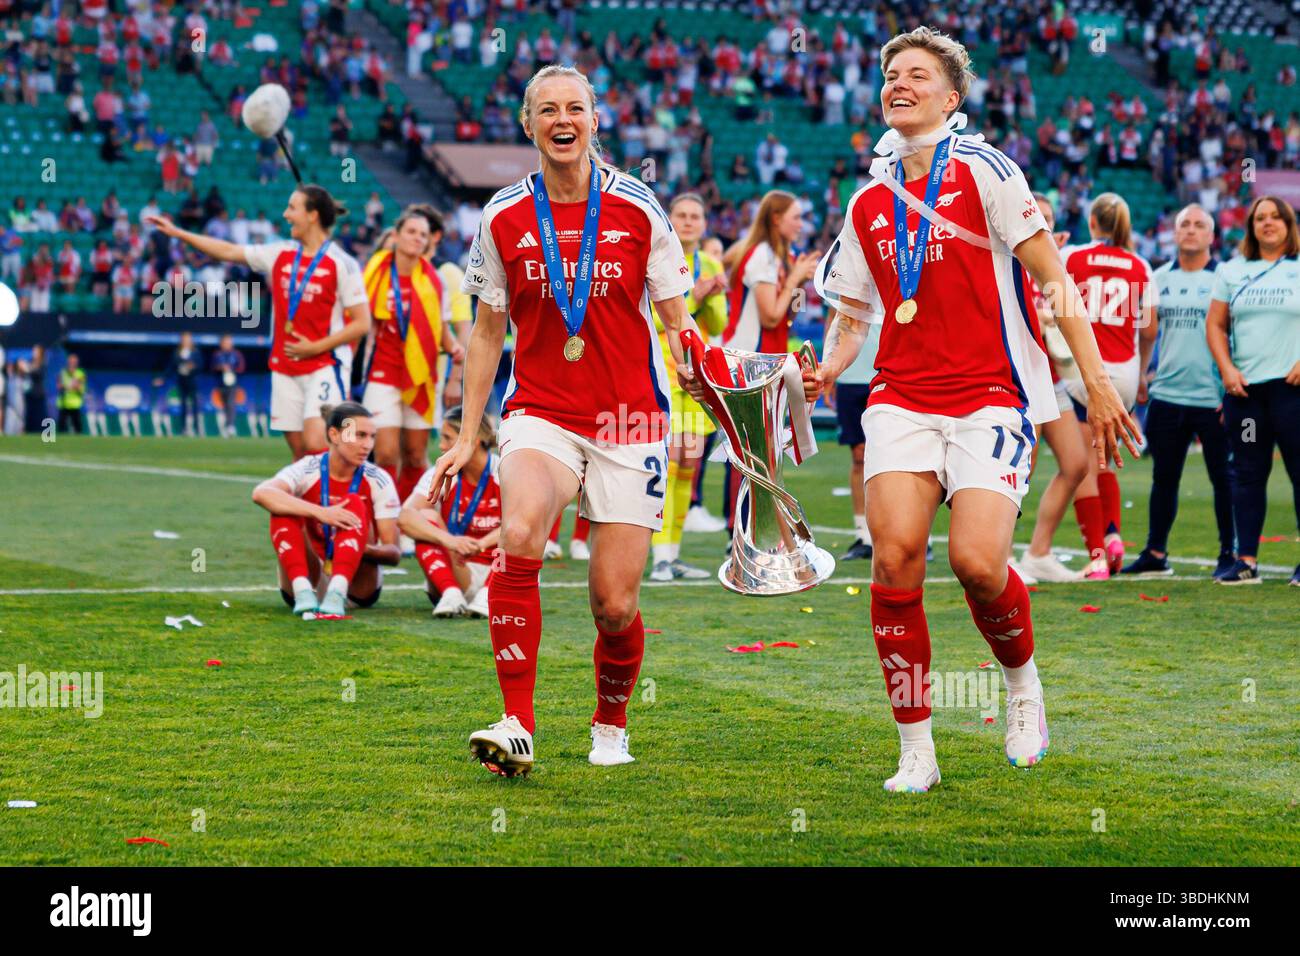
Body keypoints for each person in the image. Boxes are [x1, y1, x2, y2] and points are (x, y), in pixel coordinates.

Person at [806, 26, 1138, 793]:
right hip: (899, 397)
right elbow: (854, 315)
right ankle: (916, 748)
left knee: (978, 564)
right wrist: (826, 366)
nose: (900, 83)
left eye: (918, 75)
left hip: (992, 395)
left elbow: (1056, 282)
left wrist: (1096, 384)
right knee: (893, 563)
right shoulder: (867, 200)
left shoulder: (988, 171)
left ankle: (1023, 688)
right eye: (891, 73)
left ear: (950, 99)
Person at [428, 64, 703, 777]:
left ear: (594, 120)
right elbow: (488, 332)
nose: (563, 119)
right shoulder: (503, 217)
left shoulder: (640, 209)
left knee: (613, 605)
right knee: (519, 532)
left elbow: (678, 326)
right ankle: (516, 721)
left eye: (575, 107)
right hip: (540, 411)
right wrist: (467, 434)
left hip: (629, 417)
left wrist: (716, 396)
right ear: (528, 125)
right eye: (547, 109)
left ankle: (610, 726)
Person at [146, 184, 372, 458]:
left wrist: (315, 347)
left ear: (312, 216)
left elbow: (362, 324)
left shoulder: (342, 263)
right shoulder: (280, 253)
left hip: (325, 363)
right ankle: (315, 500)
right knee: (300, 453)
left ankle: (354, 488)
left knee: (316, 442)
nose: (286, 214)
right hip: (285, 364)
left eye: (292, 208)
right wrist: (178, 233)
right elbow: (228, 251)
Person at [1123, 204, 1236, 579]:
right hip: (1167, 395)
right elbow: (1145, 334)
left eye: (1198, 224)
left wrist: (1231, 389)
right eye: (1183, 224)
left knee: (1224, 479)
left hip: (1213, 396)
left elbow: (1235, 336)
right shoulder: (1156, 279)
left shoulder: (1226, 279)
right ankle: (1156, 553)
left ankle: (1229, 554)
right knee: (1163, 479)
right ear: (1173, 233)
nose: (1190, 230)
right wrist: (1141, 374)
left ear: (1211, 235)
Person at [1060, 193, 1158, 579]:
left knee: (1084, 464)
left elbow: (1056, 310)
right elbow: (1149, 329)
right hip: (1125, 374)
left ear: (1092, 222)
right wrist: (1144, 372)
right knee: (1106, 460)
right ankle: (1115, 531)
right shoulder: (1140, 265)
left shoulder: (1074, 258)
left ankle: (1098, 554)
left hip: (1084, 371)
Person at [1206, 195, 1300, 586]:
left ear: (1289, 224)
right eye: (1260, 218)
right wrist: (1226, 370)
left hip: (1292, 392)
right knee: (1247, 474)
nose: (1268, 223)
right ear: (1251, 227)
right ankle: (1246, 561)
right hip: (1246, 395)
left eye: (1276, 217)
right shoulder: (1231, 270)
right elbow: (1215, 325)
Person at [251, 402, 402, 617]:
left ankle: (337, 592)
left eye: (372, 437)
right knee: (281, 506)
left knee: (354, 503)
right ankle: (302, 590)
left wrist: (356, 546)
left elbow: (394, 553)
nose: (368, 445)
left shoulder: (378, 478)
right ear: (334, 434)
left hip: (357, 585)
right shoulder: (308, 467)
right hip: (311, 574)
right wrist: (321, 512)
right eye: (359, 435)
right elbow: (261, 493)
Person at [360, 206, 466, 511]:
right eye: (411, 232)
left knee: (416, 456)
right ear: (395, 235)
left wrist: (456, 350)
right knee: (386, 454)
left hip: (421, 376)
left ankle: (411, 519)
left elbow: (443, 329)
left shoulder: (434, 281)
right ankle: (386, 519)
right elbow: (359, 321)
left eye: (422, 234)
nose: (417, 238)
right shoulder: (376, 272)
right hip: (383, 372)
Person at [1012, 193, 1092, 583]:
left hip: (1050, 377)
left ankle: (1039, 552)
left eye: (1048, 219)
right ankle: (999, 554)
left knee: (1076, 464)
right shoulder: (1009, 262)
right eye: (1036, 215)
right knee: (1018, 469)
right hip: (1018, 379)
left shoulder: (1052, 268)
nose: (1040, 224)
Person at [648, 193, 728, 581]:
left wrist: (711, 297)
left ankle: (673, 555)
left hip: (698, 378)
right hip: (663, 376)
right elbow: (656, 322)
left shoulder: (710, 263)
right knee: (670, 464)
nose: (689, 222)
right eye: (681, 215)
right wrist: (694, 297)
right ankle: (660, 556)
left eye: (696, 216)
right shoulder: (657, 259)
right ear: (669, 219)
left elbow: (718, 322)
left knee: (689, 467)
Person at [401, 405, 501, 618]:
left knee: (526, 532)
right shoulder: (442, 471)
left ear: (472, 440)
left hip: (499, 566)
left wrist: (482, 544)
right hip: (458, 566)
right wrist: (450, 540)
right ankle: (450, 593)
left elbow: (525, 525)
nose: (441, 446)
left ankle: (489, 594)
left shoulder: (505, 471)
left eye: (447, 438)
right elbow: (405, 517)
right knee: (425, 517)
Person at [155, 331, 200, 435]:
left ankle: (196, 428)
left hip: (192, 381)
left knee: (194, 405)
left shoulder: (196, 352)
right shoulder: (177, 352)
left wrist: (193, 366)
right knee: (183, 405)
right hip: (181, 381)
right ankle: (184, 429)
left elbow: (200, 365)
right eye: (183, 339)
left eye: (187, 339)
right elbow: (171, 367)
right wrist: (162, 378)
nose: (185, 341)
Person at [211, 334, 246, 437]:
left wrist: (231, 369)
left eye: (228, 342)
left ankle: (231, 426)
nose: (227, 344)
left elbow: (241, 368)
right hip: (221, 383)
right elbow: (212, 367)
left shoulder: (236, 354)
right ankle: (224, 426)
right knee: (224, 405)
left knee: (231, 403)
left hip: (233, 383)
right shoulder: (217, 354)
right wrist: (221, 368)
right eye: (225, 342)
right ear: (221, 343)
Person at [56, 352, 86, 435]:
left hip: (75, 404)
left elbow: (82, 389)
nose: (72, 364)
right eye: (71, 362)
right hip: (64, 403)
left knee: (77, 428)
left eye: (74, 362)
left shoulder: (80, 373)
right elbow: (58, 386)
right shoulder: (63, 372)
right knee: (61, 428)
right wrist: (65, 387)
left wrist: (76, 386)